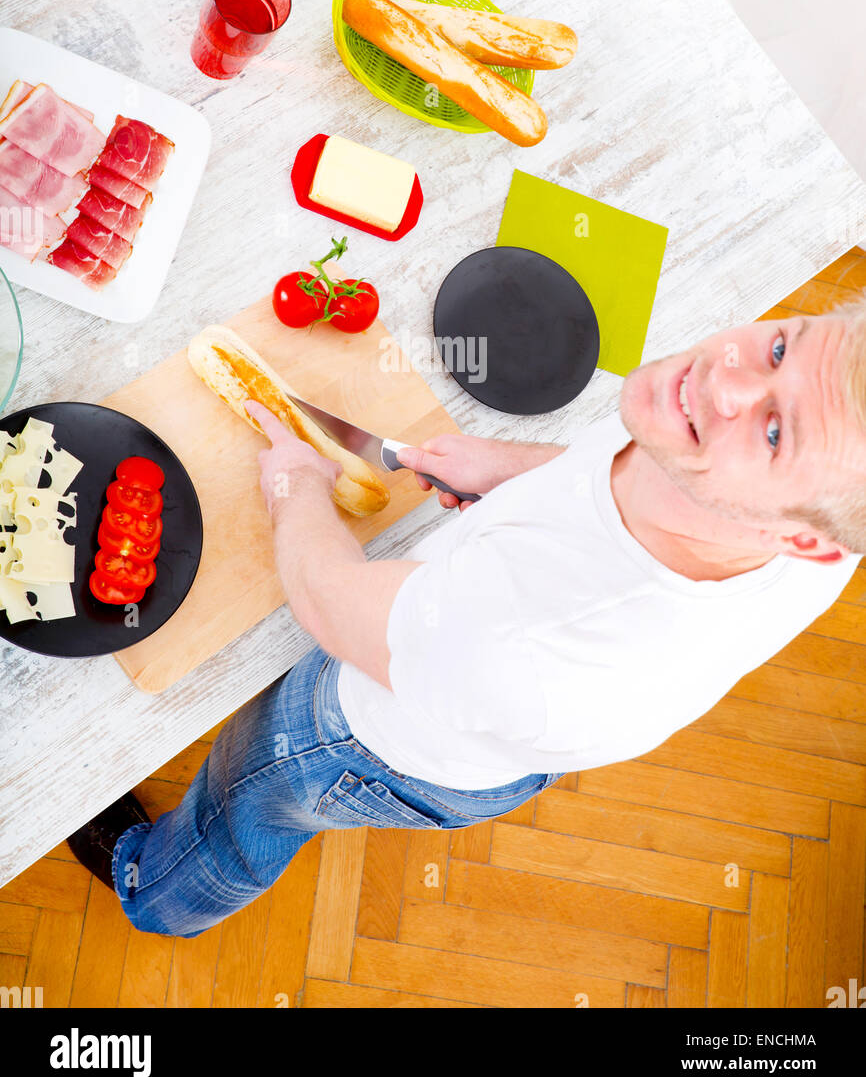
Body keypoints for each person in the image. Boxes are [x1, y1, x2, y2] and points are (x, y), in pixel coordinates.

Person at [69, 302, 866, 937]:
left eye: (773, 430)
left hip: (372, 737)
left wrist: (297, 490)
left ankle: (153, 887)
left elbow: (330, 604)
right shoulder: (792, 484)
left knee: (250, 798)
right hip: (490, 701)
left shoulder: (526, 642)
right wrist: (513, 469)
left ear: (807, 542)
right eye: (781, 350)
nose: (723, 380)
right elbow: (623, 469)